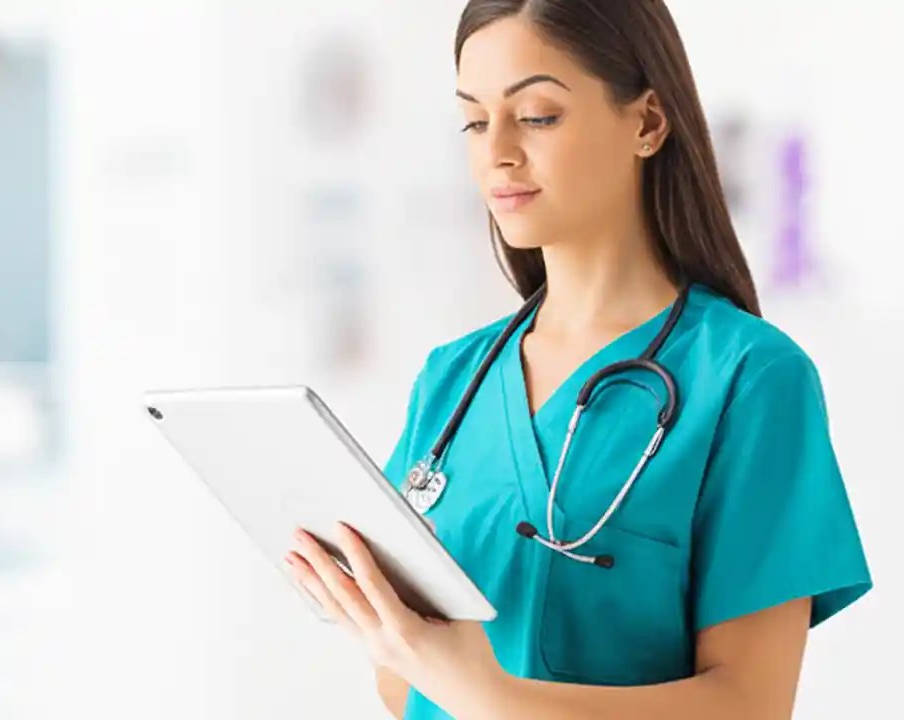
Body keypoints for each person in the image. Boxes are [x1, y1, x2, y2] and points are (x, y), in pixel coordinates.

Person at [282, 1, 872, 718]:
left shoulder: (748, 377)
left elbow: (750, 704)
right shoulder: (453, 378)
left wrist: (486, 693)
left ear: (648, 122)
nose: (496, 150)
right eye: (474, 119)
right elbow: (403, 685)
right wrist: (382, 625)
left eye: (536, 115)